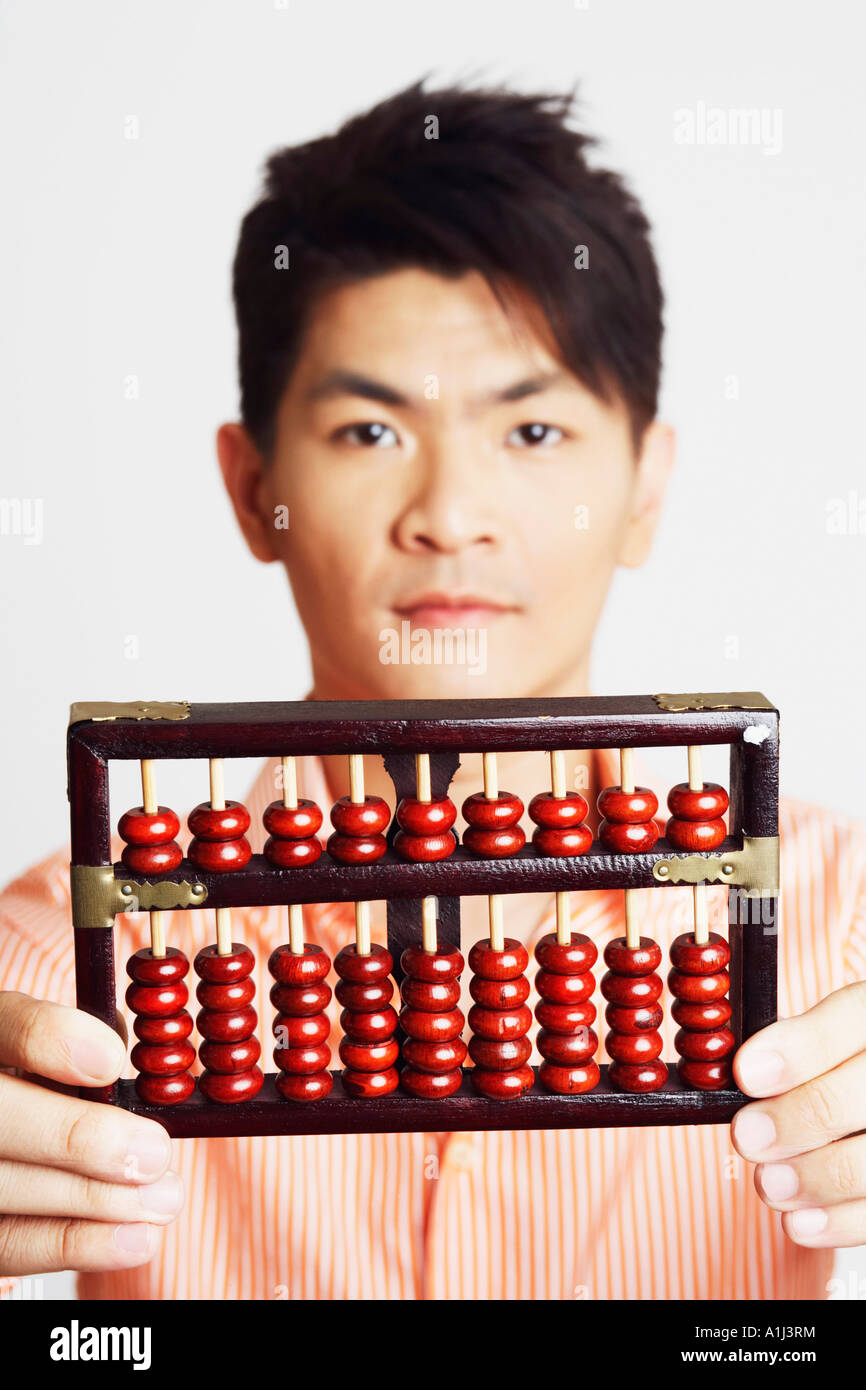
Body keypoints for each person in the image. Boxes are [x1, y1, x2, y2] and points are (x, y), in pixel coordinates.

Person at [1, 80, 865, 1301]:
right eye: (368, 432)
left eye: (530, 434)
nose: (448, 518)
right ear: (253, 488)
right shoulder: (59, 973)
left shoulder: (837, 936)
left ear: (645, 486)